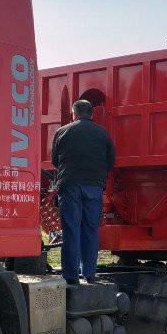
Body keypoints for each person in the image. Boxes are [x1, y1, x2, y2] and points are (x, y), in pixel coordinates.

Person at [51, 99, 116, 285]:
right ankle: (89, 273)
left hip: (70, 185)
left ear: (74, 114)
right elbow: (111, 160)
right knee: (91, 229)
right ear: (92, 114)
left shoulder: (62, 132)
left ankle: (71, 276)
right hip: (94, 187)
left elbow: (55, 160)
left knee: (71, 229)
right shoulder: (102, 133)